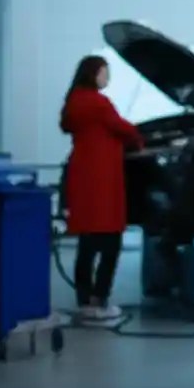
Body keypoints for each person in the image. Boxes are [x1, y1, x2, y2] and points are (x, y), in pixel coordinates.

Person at [59, 55, 143, 322]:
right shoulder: (99, 102)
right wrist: (139, 138)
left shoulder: (73, 101)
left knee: (86, 242)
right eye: (105, 73)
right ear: (93, 73)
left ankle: (84, 300)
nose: (107, 78)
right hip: (103, 180)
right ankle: (100, 298)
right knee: (110, 242)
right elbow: (123, 129)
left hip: (81, 176)